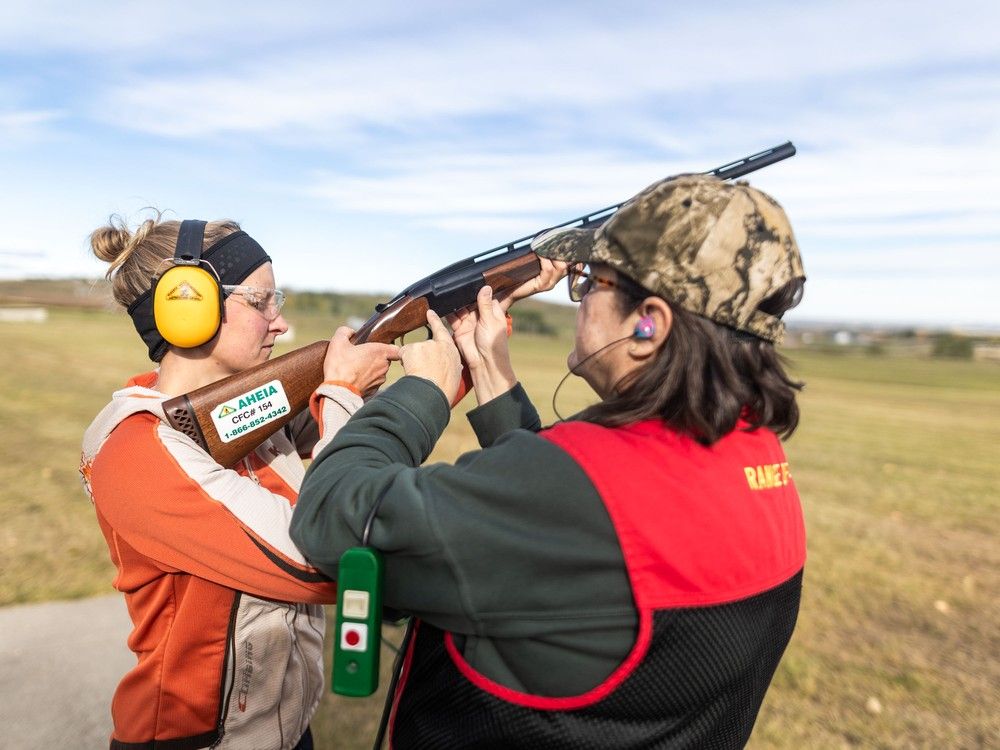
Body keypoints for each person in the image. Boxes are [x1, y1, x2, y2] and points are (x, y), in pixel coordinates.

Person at [290, 173, 808, 749]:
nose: (580, 300)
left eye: (593, 283)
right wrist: (491, 371)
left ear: (648, 326)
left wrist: (421, 395)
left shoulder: (578, 491)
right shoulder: (757, 458)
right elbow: (575, 553)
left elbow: (332, 517)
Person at [79, 213, 399, 750]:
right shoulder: (135, 451)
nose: (280, 323)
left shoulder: (241, 409)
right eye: (260, 302)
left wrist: (452, 355)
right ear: (188, 311)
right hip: (197, 740)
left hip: (285, 731)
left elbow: (366, 435)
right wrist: (342, 391)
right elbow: (326, 558)